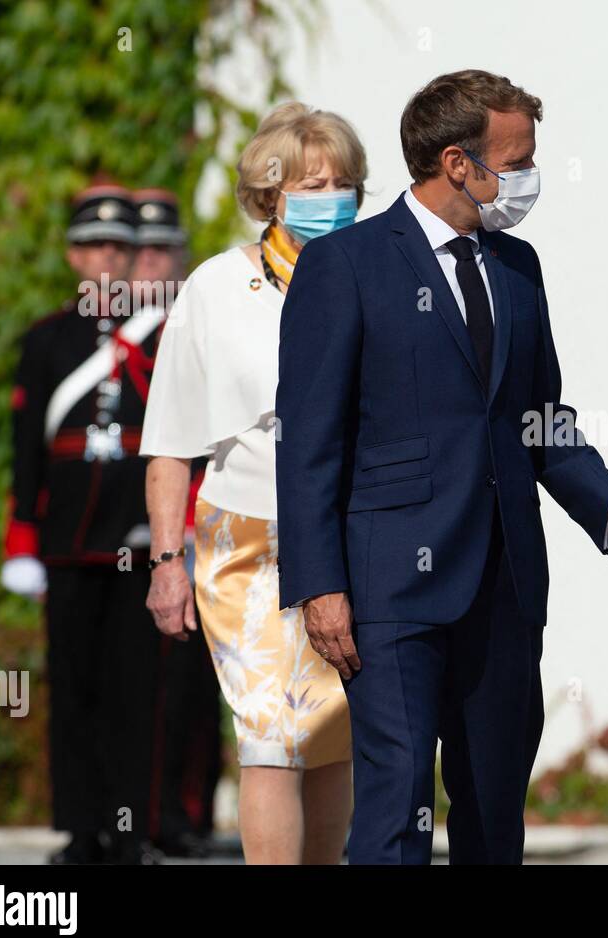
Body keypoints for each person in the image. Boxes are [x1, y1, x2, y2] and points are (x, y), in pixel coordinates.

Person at [275, 69, 608, 865]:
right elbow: (307, 442)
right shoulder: (345, 264)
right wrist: (318, 583)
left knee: (495, 807)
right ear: (456, 163)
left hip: (504, 583)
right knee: (398, 801)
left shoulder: (517, 265)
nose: (529, 177)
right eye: (516, 161)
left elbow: (541, 418)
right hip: (390, 589)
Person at [140, 103, 366, 865]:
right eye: (311, 184)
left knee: (331, 730)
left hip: (349, 531)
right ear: (270, 194)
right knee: (271, 732)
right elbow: (170, 441)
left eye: (342, 183)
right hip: (244, 543)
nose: (330, 197)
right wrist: (166, 562)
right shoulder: (214, 286)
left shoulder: (376, 275)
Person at [3, 183, 166, 865]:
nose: (107, 257)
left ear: (133, 258)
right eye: (95, 245)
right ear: (73, 255)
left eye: (119, 247)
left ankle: (132, 833)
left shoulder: (162, 335)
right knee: (73, 693)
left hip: (136, 537)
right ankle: (80, 829)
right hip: (68, 542)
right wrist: (21, 536)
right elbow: (25, 449)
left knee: (136, 692)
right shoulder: (47, 339)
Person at [130, 188, 224, 857]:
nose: (152, 264)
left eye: (164, 251)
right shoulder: (102, 338)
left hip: (194, 522)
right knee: (138, 685)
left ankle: (186, 813)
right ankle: (135, 814)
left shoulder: (199, 321)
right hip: (117, 534)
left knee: (194, 684)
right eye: (143, 253)